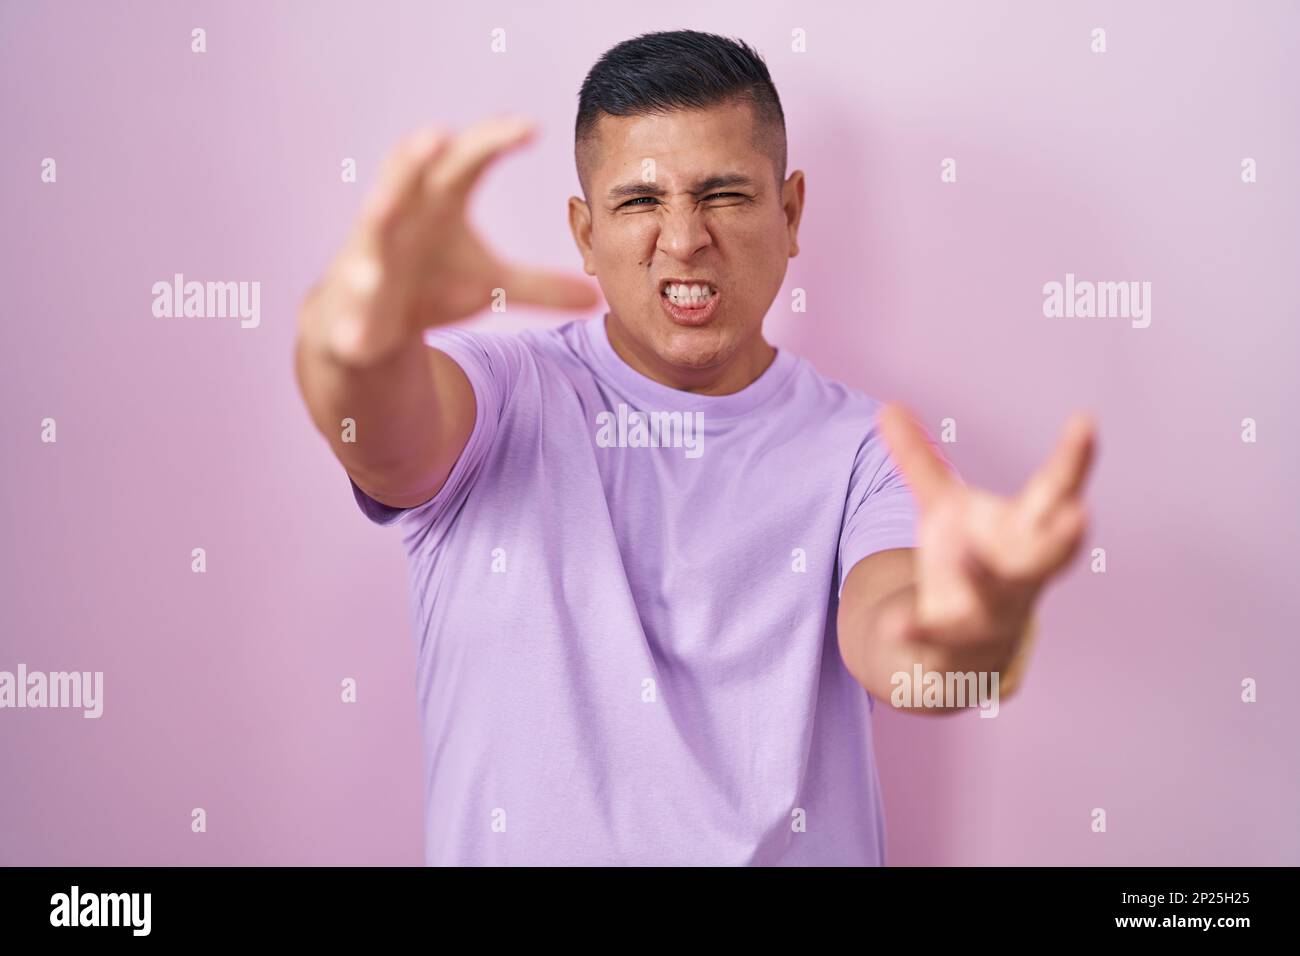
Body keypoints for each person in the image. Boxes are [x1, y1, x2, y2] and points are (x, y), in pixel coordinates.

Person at [294, 30, 1096, 865]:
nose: (683, 239)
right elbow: (378, 428)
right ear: (584, 231)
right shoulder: (497, 398)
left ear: (789, 215)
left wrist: (970, 638)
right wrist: (357, 340)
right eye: (640, 201)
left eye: (724, 195)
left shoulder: (871, 450)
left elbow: (898, 639)